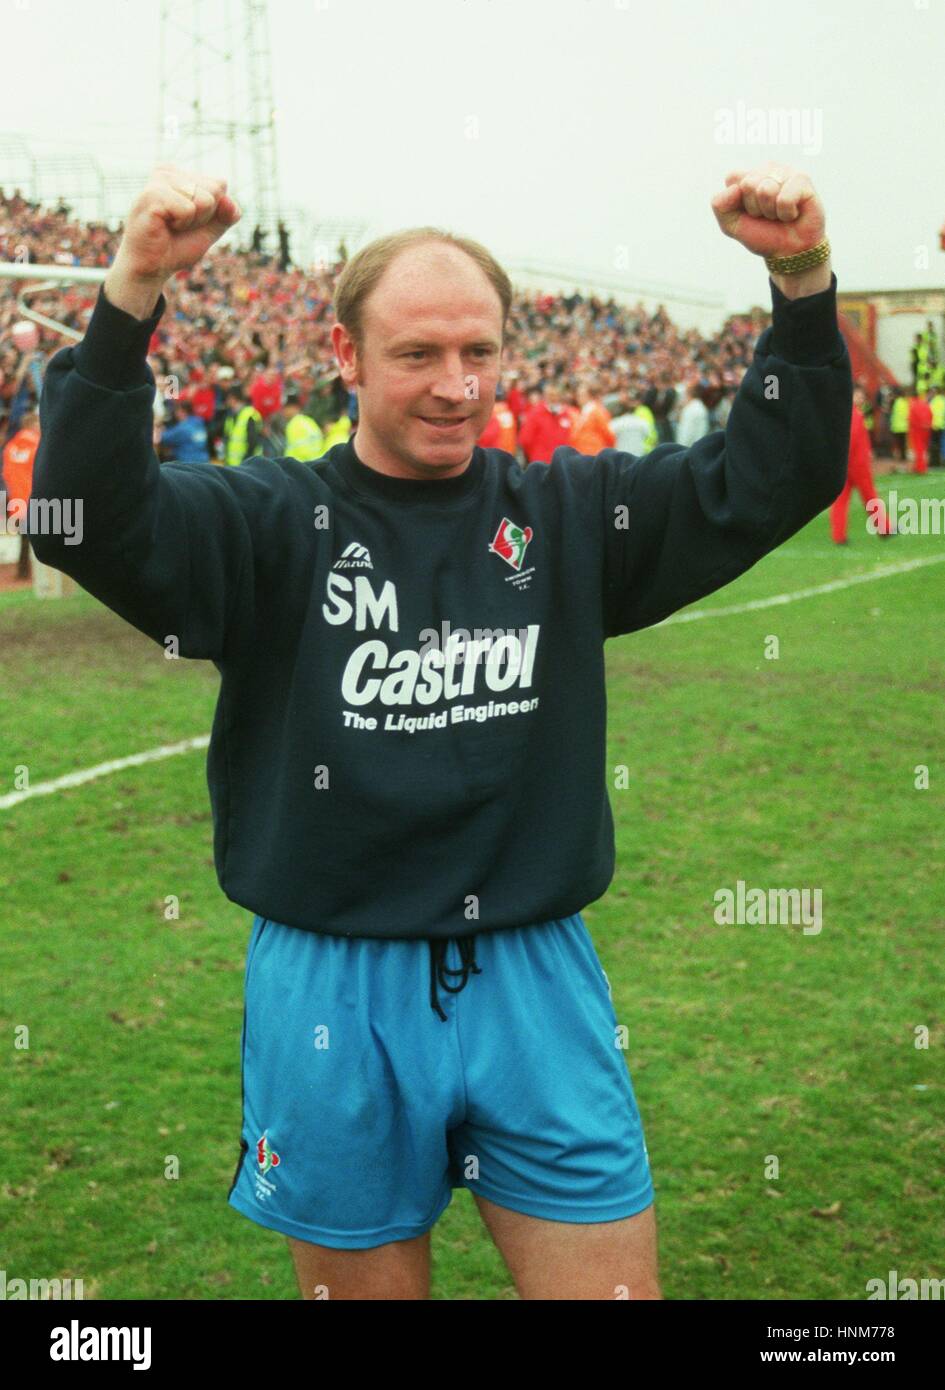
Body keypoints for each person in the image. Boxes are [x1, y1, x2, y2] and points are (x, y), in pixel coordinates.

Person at [31, 161, 851, 1302]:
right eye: (417, 353)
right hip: (333, 983)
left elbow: (774, 473)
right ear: (344, 354)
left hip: (536, 977)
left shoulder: (567, 517)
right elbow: (84, 521)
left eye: (478, 351)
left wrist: (801, 279)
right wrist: (129, 299)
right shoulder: (272, 524)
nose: (454, 384)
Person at [830, 387, 895, 544]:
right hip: (857, 464)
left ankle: (838, 535)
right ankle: (884, 528)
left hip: (846, 464)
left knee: (840, 499)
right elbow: (851, 440)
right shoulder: (855, 414)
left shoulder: (844, 413)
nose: (860, 398)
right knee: (870, 495)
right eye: (857, 395)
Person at [2, 406, 40, 581]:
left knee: (25, 538)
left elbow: (6, 473)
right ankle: (41, 575)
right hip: (35, 496)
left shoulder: (10, 446)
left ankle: (23, 571)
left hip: (17, 497)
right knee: (46, 535)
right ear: (32, 424)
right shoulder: (38, 442)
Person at [571, 379, 616, 454]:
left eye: (581, 395)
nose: (577, 398)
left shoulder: (598, 411)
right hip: (582, 454)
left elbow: (609, 435)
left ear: (589, 395)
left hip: (595, 454)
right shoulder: (583, 411)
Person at [159, 398, 210, 463]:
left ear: (181, 411)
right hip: (204, 461)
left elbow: (163, 437)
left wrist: (161, 429)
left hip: (189, 464)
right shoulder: (199, 422)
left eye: (176, 411)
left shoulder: (183, 428)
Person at [282, 386, 325, 462]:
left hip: (299, 466)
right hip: (315, 462)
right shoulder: (309, 420)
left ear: (294, 407)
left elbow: (302, 450)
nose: (283, 412)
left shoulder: (293, 425)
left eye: (285, 408)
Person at [675, 379, 711, 449]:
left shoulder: (690, 409)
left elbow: (686, 432)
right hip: (698, 447)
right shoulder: (701, 407)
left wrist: (679, 449)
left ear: (689, 394)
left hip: (688, 448)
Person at [908, 387, 932, 474]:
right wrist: (928, 424)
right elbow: (930, 414)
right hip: (926, 429)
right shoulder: (924, 404)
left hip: (917, 430)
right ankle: (918, 466)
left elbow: (911, 419)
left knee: (919, 449)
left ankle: (921, 468)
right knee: (923, 448)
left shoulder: (913, 405)